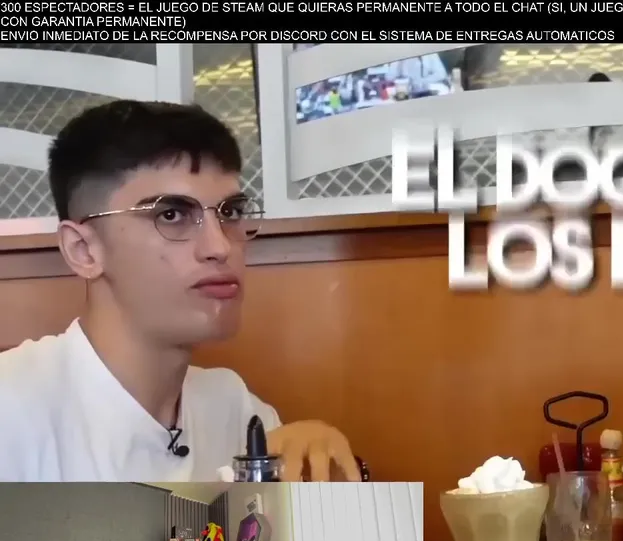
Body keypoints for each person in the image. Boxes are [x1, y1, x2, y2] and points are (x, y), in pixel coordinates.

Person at [0, 100, 361, 482]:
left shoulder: (234, 407)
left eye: (230, 213)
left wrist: (319, 475)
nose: (220, 247)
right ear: (83, 250)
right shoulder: (13, 408)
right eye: (170, 215)